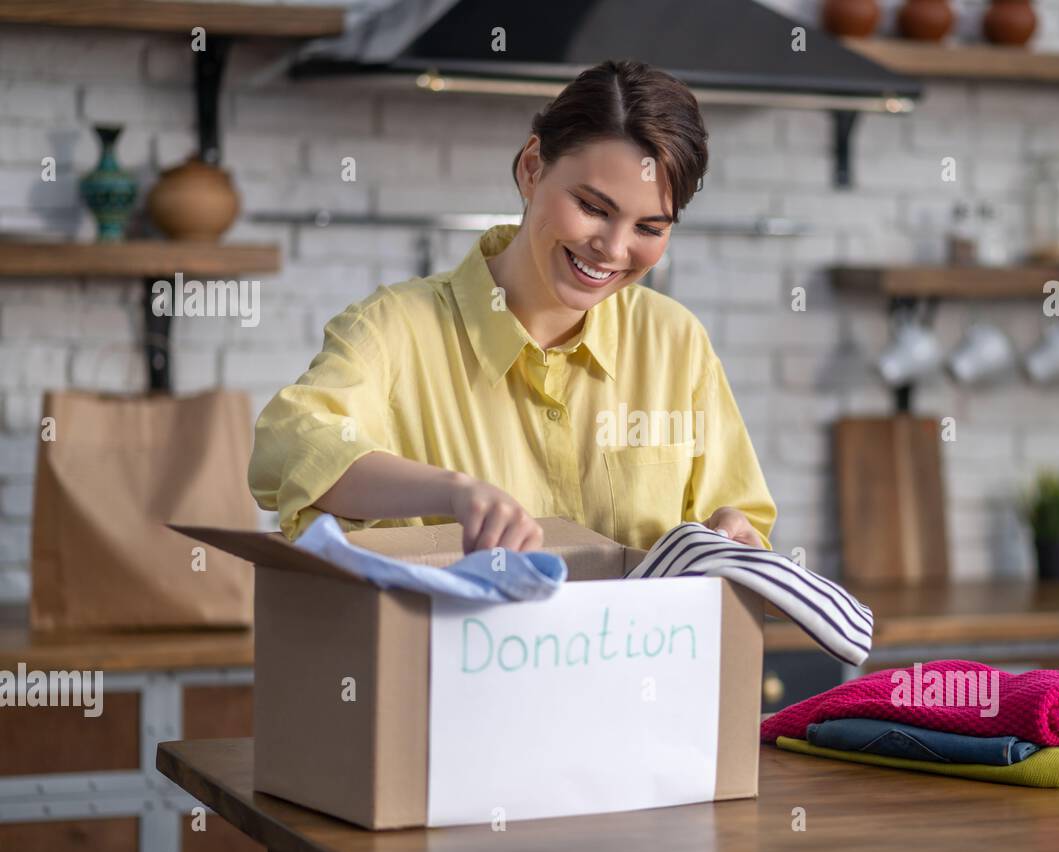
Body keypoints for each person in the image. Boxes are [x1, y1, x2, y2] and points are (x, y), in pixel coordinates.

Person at [248, 59, 776, 554]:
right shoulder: (394, 330)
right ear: (531, 168)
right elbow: (294, 445)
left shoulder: (674, 341)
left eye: (648, 228)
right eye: (592, 207)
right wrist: (453, 493)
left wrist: (729, 530)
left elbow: (739, 521)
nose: (613, 250)